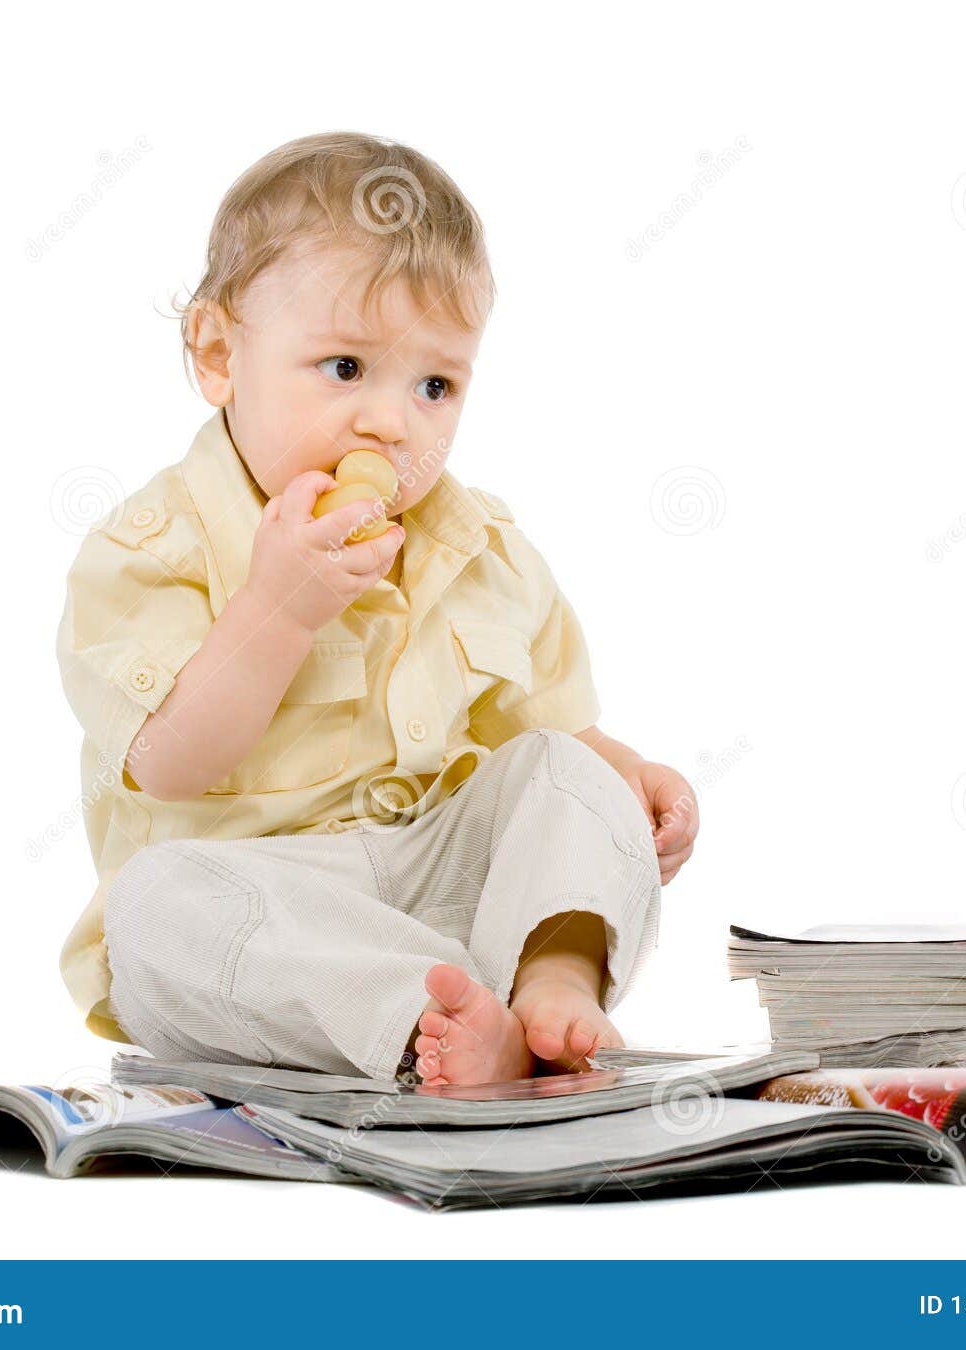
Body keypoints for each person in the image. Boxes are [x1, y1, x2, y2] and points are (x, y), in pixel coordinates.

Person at [56, 132, 698, 1086]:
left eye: (434, 385)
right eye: (346, 369)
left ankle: (550, 983)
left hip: (446, 882)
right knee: (155, 909)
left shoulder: (483, 548)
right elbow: (167, 761)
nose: (390, 423)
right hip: (275, 909)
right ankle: (424, 1022)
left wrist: (633, 783)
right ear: (219, 352)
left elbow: (549, 737)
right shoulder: (149, 548)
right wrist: (277, 609)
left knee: (564, 769)